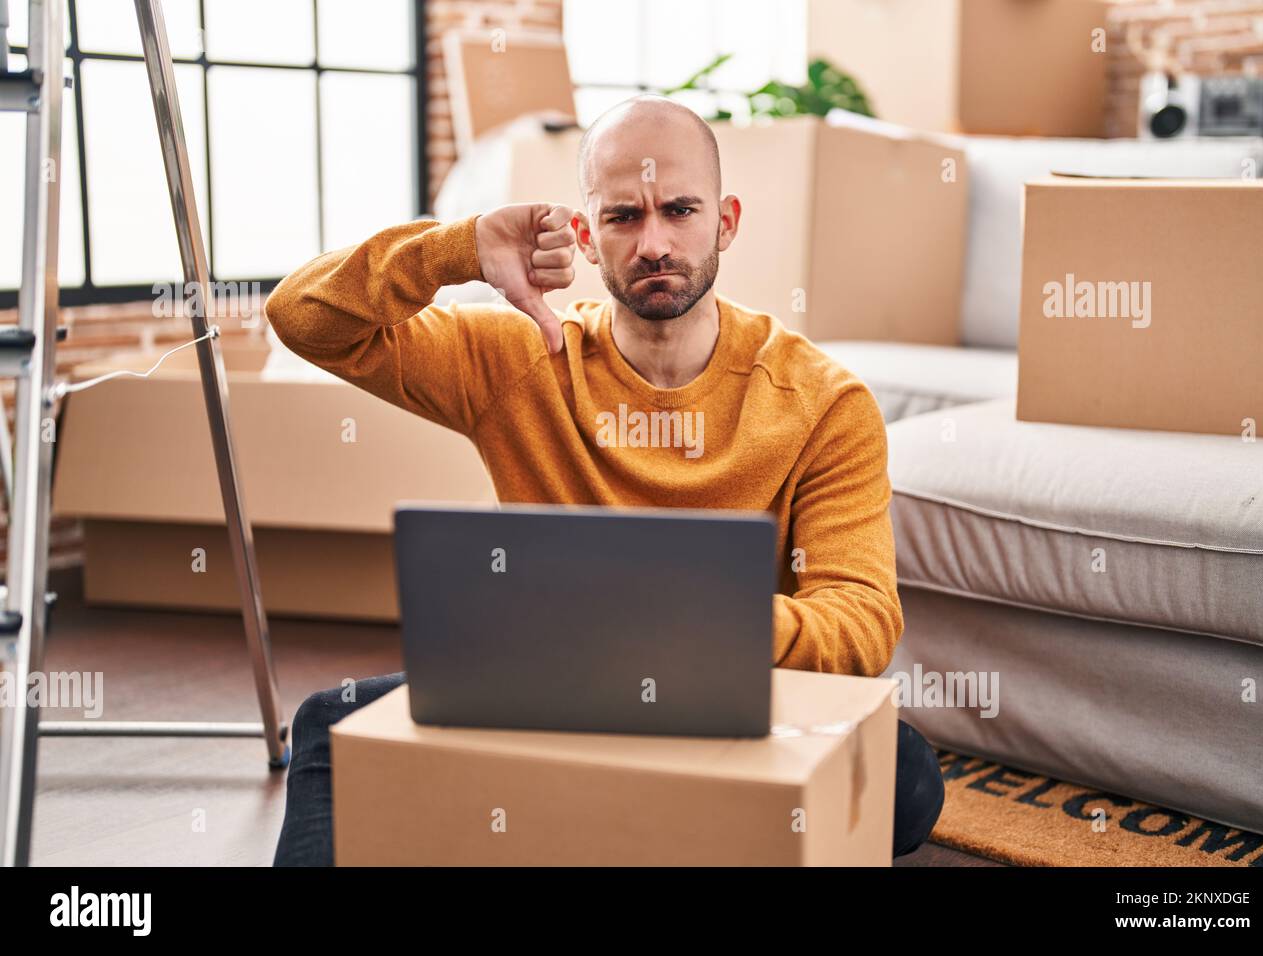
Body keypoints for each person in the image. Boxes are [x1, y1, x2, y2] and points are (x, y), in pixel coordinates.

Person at [265, 95, 944, 866]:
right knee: (329, 728)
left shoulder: (824, 402)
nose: (654, 243)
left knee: (907, 777)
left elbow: (861, 620)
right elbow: (301, 317)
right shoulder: (520, 358)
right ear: (586, 237)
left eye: (679, 210)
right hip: (554, 690)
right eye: (624, 217)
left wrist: (708, 628)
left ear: (725, 221)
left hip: (734, 700)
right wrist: (455, 250)